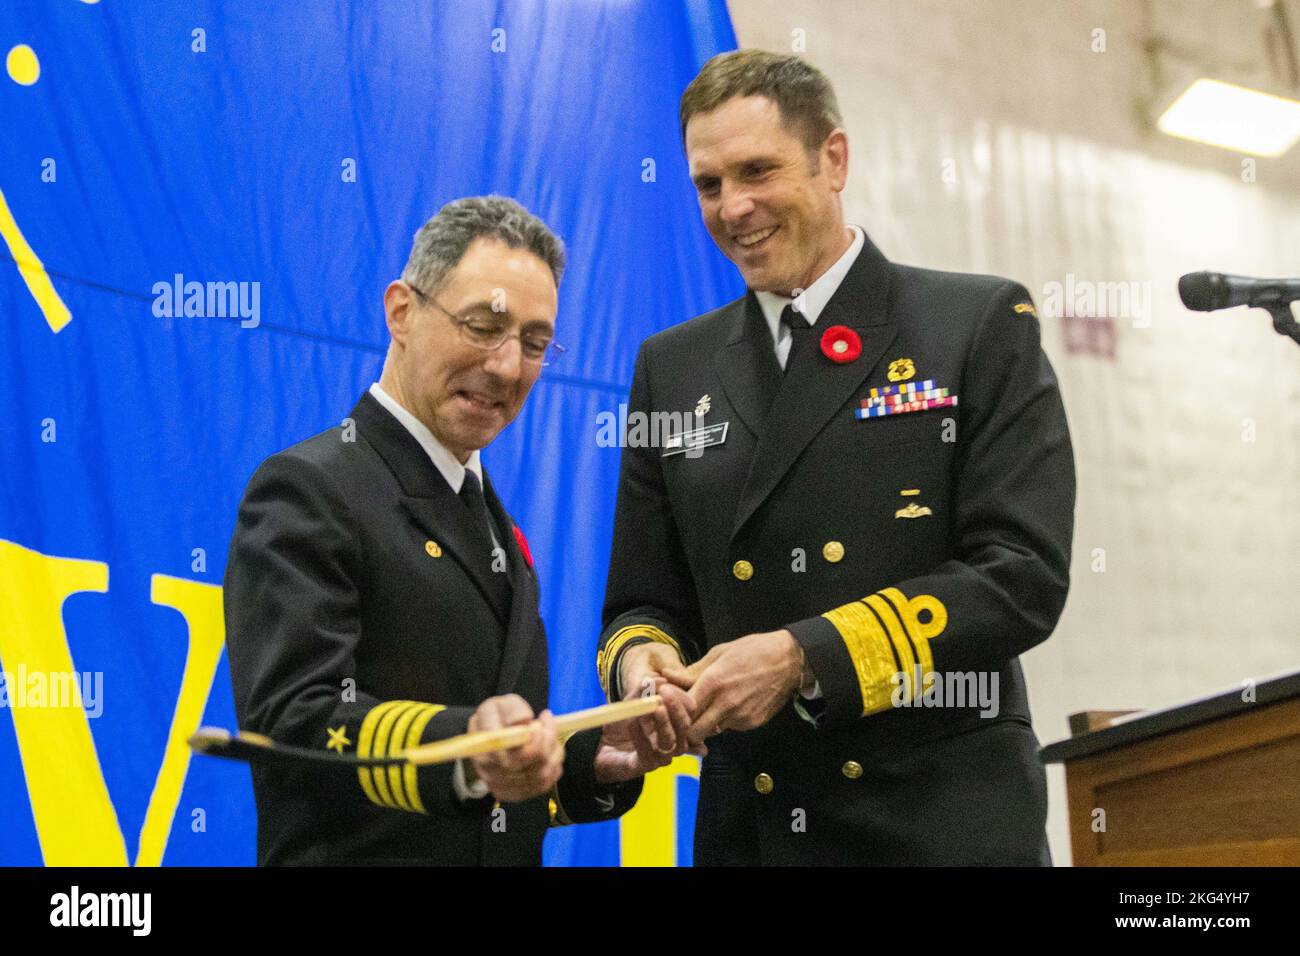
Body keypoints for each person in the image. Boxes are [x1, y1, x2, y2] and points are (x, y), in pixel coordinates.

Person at [599, 51, 1076, 865]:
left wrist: (800, 659)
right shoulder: (671, 367)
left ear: (834, 159)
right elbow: (642, 602)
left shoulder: (975, 323)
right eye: (708, 185)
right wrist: (646, 670)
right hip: (752, 824)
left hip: (936, 820)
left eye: (757, 171)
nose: (734, 207)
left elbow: (1020, 577)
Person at [225, 196, 680, 865]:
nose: (505, 366)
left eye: (533, 342)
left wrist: (593, 761)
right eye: (482, 325)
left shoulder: (494, 522)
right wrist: (468, 752)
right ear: (402, 311)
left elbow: (482, 802)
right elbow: (293, 728)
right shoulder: (310, 489)